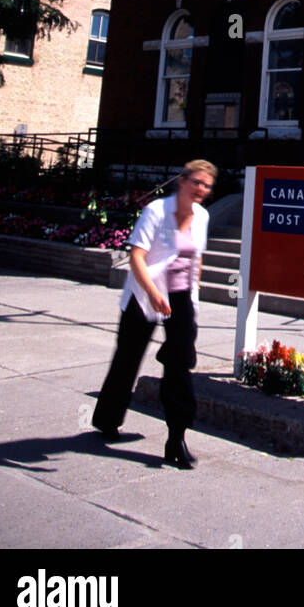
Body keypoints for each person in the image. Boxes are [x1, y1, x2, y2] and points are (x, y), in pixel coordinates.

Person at [91, 158, 217, 468]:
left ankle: (177, 438)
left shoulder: (201, 216)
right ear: (182, 182)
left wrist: (193, 288)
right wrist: (153, 293)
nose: (201, 189)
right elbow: (137, 256)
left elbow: (195, 257)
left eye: (207, 185)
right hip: (145, 292)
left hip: (181, 296)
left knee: (180, 364)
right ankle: (108, 420)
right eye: (196, 182)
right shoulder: (157, 211)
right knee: (128, 357)